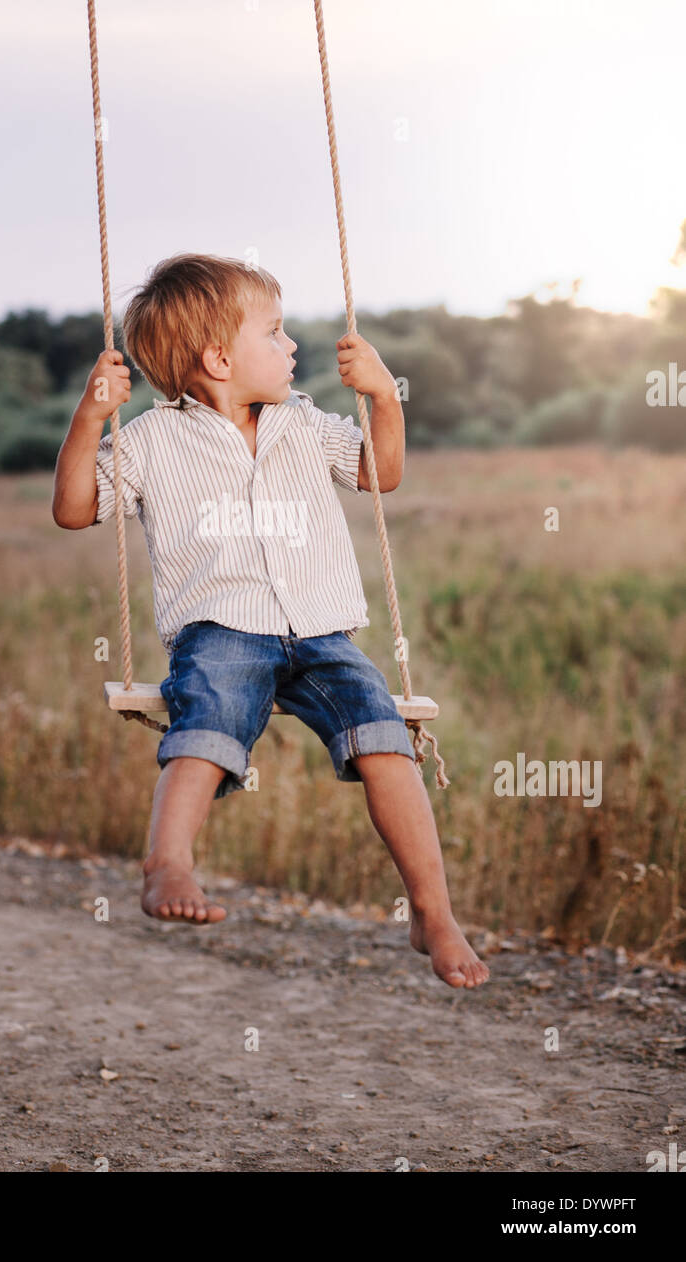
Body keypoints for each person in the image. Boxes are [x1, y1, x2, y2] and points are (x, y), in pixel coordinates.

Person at [53, 254, 489, 989]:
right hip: (221, 626)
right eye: (276, 332)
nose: (292, 347)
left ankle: (432, 911)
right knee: (210, 719)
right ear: (220, 358)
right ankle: (168, 863)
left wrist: (384, 398)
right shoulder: (154, 443)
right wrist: (92, 416)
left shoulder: (304, 424)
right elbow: (73, 510)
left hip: (322, 631)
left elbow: (378, 473)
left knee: (385, 739)